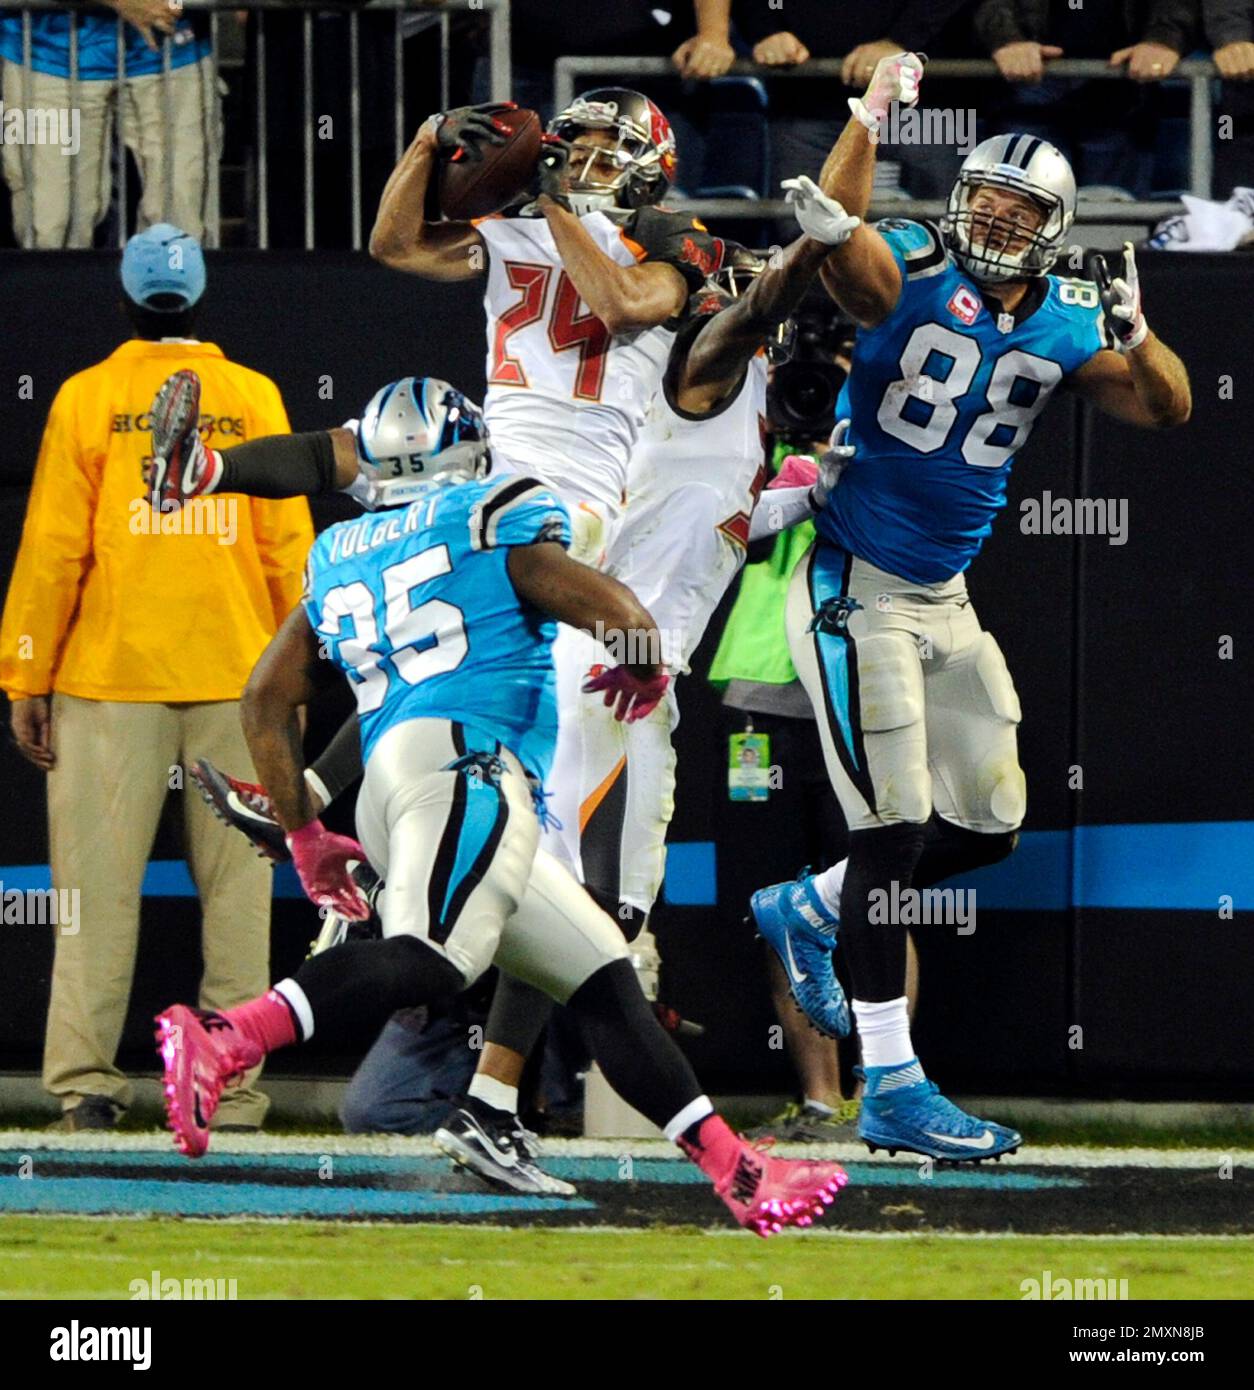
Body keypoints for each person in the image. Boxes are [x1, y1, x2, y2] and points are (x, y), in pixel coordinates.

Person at [152, 373, 847, 1237]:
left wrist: (306, 836)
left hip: (397, 773)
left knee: (603, 978)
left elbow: (263, 700)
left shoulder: (340, 549)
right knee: (433, 959)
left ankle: (739, 1173)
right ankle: (224, 1037)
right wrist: (643, 664)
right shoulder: (494, 509)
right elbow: (616, 611)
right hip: (467, 764)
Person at [750, 54, 1191, 1161]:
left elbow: (1167, 409)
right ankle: (892, 1083)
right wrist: (865, 126)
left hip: (945, 593)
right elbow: (849, 250)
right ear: (957, 202)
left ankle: (808, 905)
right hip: (852, 579)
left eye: (1020, 208)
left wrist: (1139, 337)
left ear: (1055, 226)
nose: (996, 219)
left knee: (988, 823)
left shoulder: (1069, 318)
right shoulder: (908, 258)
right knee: (892, 828)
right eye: (984, 198)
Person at [0, 224, 312, 1131]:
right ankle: (238, 1092)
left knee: (92, 900)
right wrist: (300, 673)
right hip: (241, 677)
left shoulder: (88, 396)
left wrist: (27, 674)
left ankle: (88, 1091)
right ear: (200, 296)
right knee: (241, 898)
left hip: (107, 679)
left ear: (129, 300)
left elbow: (55, 547)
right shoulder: (252, 394)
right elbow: (285, 544)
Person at [0, 0, 217, 247]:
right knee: (50, 225)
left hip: (173, 49)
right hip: (47, 53)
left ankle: (166, 284)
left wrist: (174, 2)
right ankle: (55, 286)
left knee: (181, 223)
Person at [975, 0, 1199, 197]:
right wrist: (1006, 39)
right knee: (1023, 214)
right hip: (1027, 81)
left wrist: (1163, 39)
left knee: (1114, 223)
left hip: (1121, 82)